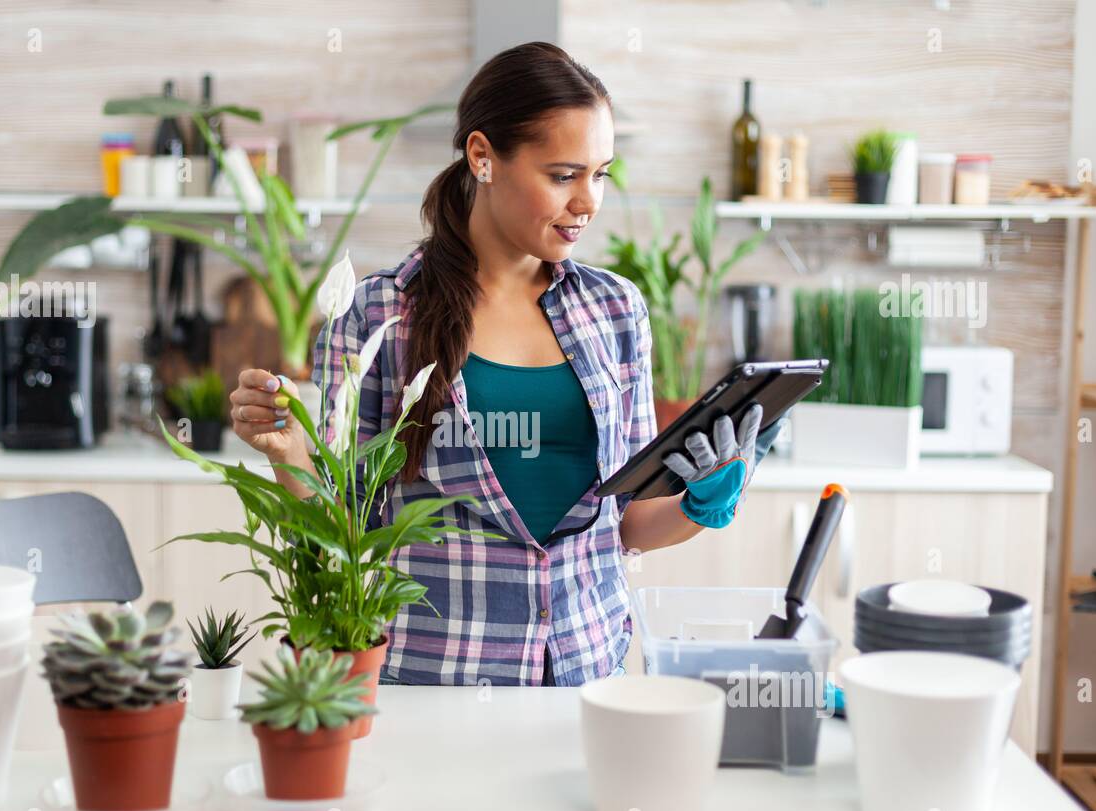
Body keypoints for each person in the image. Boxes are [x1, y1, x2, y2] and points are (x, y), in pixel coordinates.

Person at [227, 42, 781, 686]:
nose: (588, 202)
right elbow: (340, 535)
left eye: (600, 174)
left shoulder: (615, 311)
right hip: (434, 675)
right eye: (563, 174)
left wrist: (702, 503)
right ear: (483, 158)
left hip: (587, 667)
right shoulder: (379, 314)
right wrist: (290, 455)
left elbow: (624, 524)